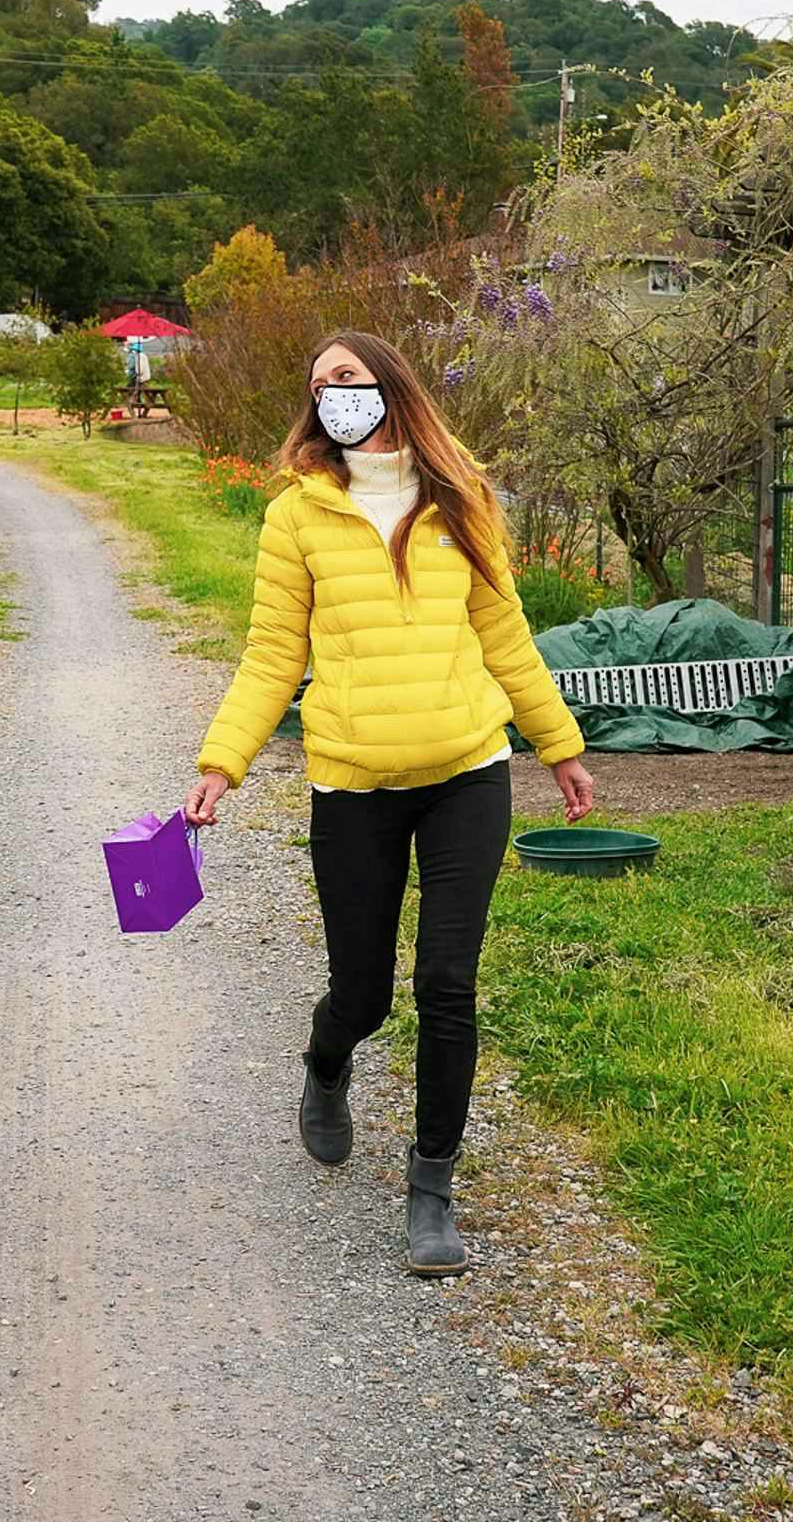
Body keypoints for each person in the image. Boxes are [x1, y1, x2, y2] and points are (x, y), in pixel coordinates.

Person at [184, 330, 595, 1278]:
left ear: (391, 388)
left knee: (447, 983)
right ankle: (327, 1063)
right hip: (353, 781)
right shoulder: (295, 517)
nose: (335, 397)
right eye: (320, 384)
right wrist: (223, 763)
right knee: (363, 993)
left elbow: (506, 634)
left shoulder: (463, 499)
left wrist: (559, 746)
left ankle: (431, 1186)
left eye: (350, 380)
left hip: (466, 771)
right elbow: (272, 656)